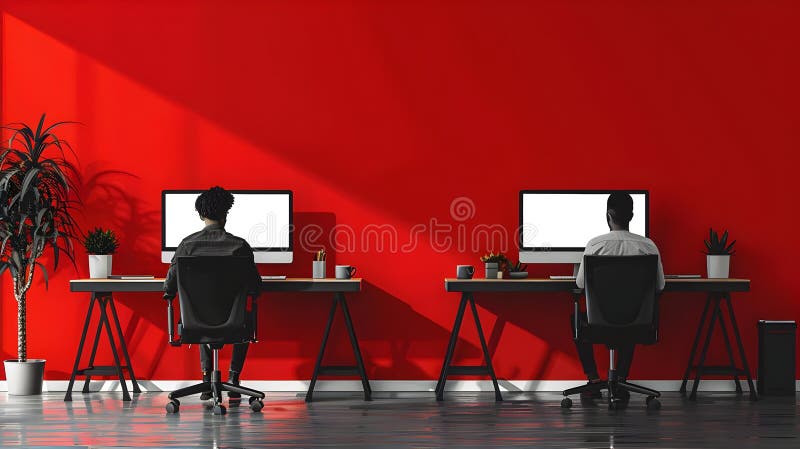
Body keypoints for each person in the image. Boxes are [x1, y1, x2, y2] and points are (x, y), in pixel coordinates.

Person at [164, 186, 262, 400]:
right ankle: (234, 378)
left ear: (200, 215)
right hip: (235, 324)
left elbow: (168, 287)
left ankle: (207, 379)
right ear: (226, 214)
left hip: (194, 323)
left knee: (200, 309)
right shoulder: (240, 246)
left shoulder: (186, 246)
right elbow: (255, 287)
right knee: (238, 315)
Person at [572, 192, 665, 404]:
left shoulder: (595, 245)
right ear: (632, 216)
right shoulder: (648, 246)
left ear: (608, 216)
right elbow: (660, 286)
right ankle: (621, 379)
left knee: (576, 318)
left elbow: (579, 284)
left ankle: (593, 379)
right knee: (632, 311)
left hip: (598, 324)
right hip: (638, 324)